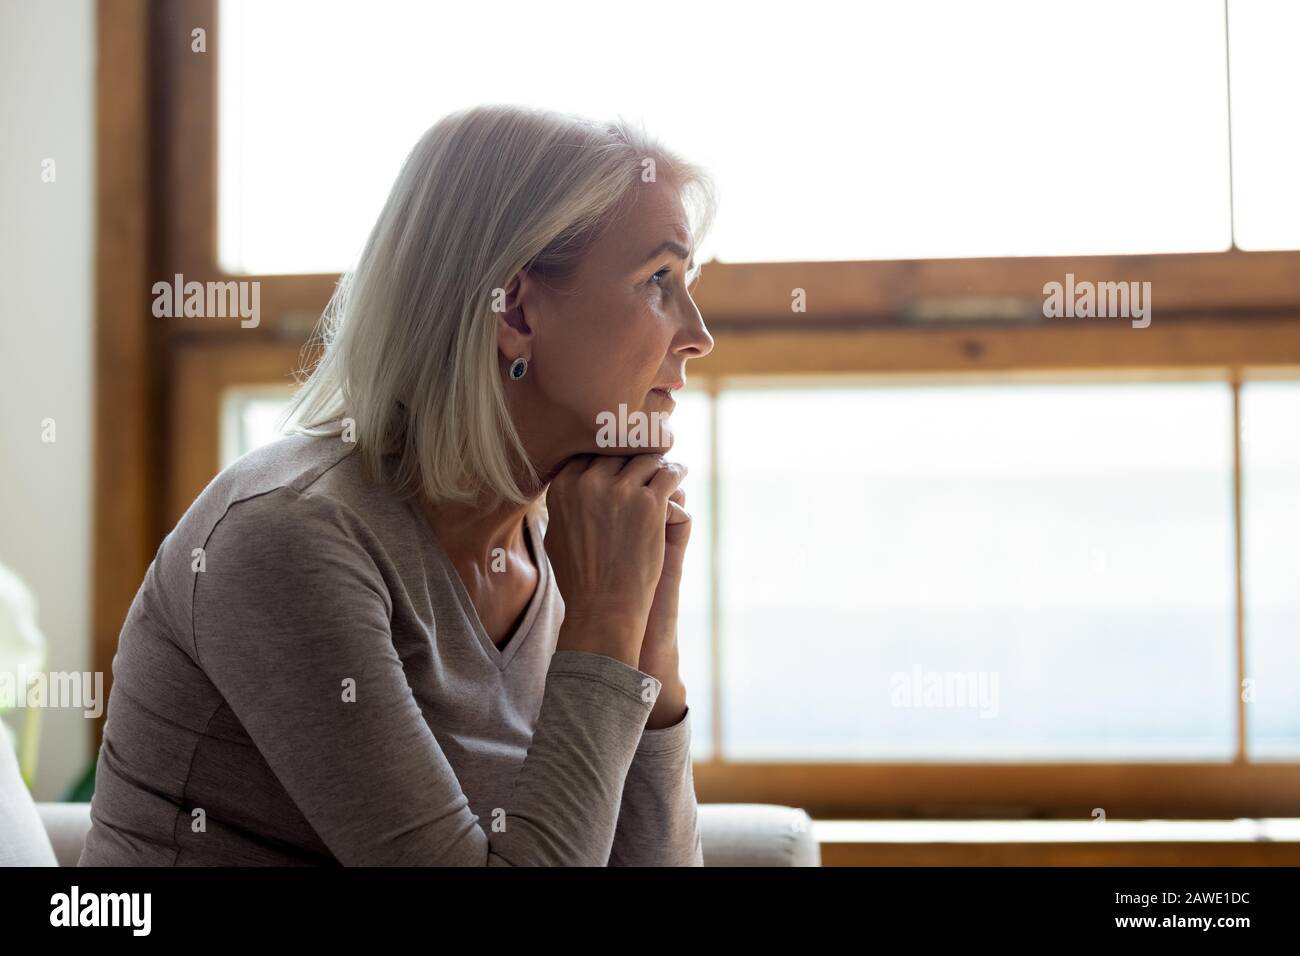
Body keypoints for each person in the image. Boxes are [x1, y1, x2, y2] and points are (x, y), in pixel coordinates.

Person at [79, 104, 716, 866]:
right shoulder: (288, 537)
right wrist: (608, 622)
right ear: (514, 309)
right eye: (658, 280)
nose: (697, 332)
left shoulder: (561, 543)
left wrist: (651, 637)